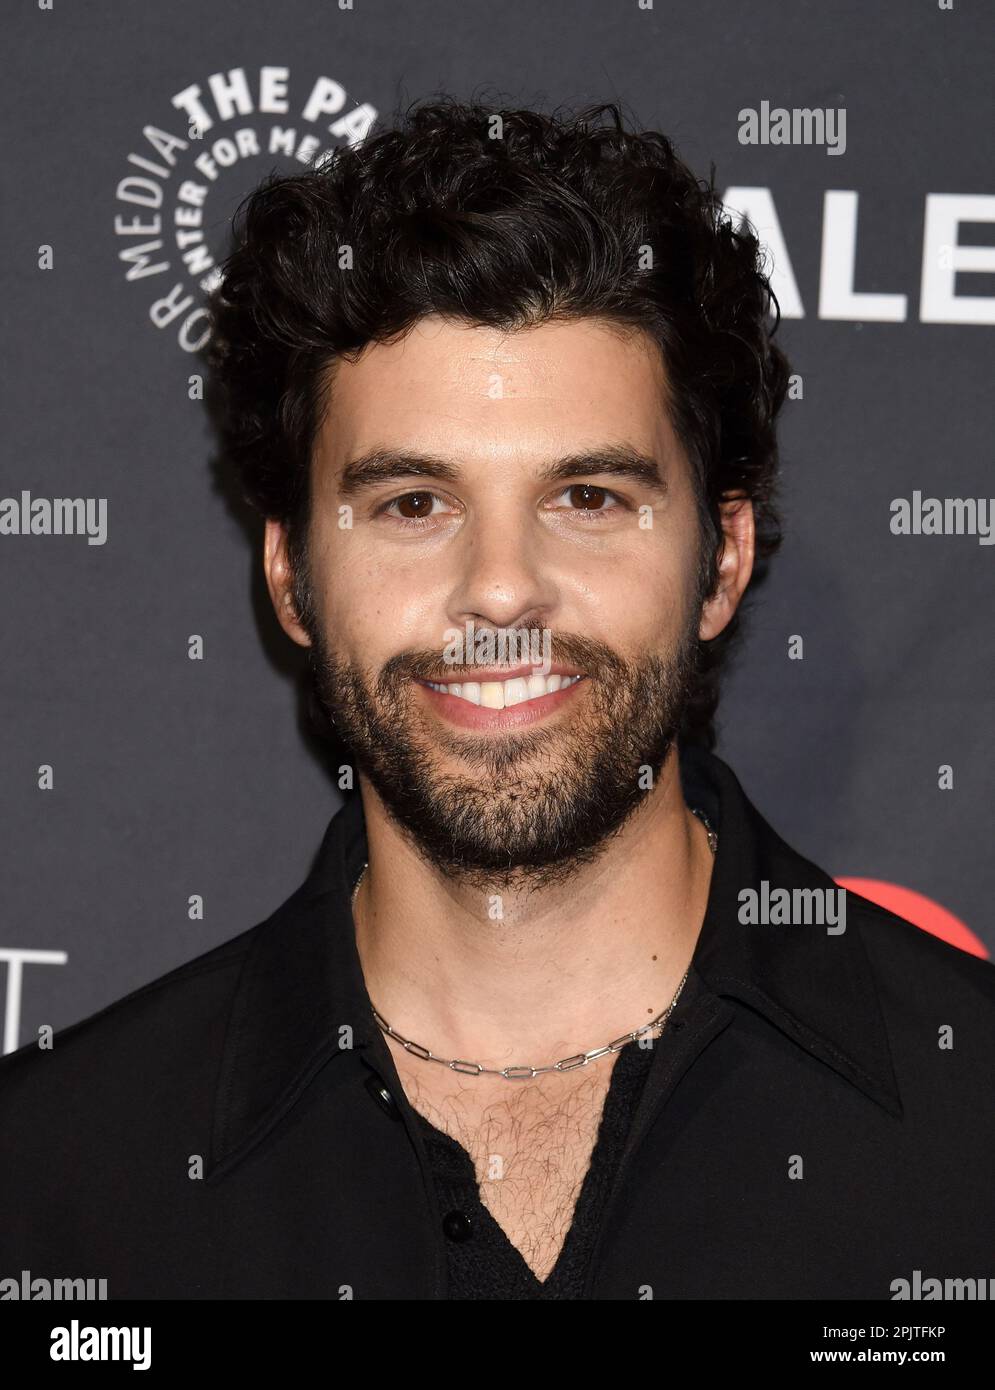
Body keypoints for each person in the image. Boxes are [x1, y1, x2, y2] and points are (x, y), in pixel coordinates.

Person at [1, 98, 992, 1302]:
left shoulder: (967, 1124)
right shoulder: (61, 1191)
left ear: (721, 561)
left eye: (587, 496)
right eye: (413, 503)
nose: (501, 588)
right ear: (290, 576)